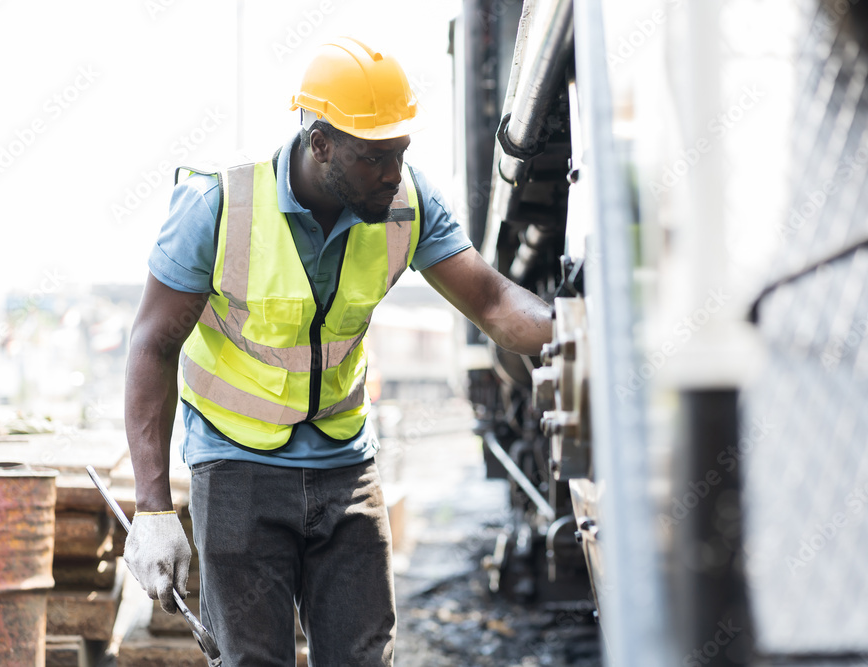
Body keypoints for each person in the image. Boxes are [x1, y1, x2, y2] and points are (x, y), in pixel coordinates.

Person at [123, 36, 552, 666]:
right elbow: (152, 346)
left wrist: (579, 332)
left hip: (345, 463)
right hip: (237, 463)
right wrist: (153, 508)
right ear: (319, 143)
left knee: (363, 656)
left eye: (401, 153)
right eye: (375, 157)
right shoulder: (219, 204)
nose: (392, 174)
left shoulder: (407, 203)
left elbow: (492, 303)